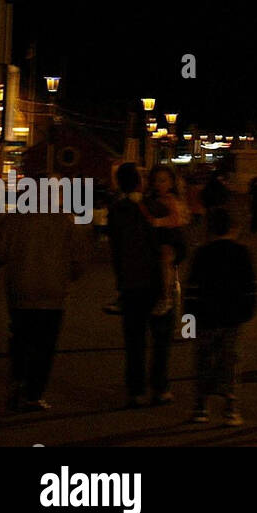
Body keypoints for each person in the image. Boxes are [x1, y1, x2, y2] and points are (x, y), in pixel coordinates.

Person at [0, 174, 88, 412]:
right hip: (53, 292)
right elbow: (78, 260)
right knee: (44, 344)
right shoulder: (66, 220)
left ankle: (17, 382)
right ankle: (34, 394)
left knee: (21, 339)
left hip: (20, 289)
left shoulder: (14, 219)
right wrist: (70, 274)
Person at [107, 162, 174, 407]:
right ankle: (160, 388)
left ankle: (135, 390)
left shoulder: (116, 211)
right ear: (139, 182)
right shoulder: (154, 207)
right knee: (160, 340)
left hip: (129, 283)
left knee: (134, 341)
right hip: (156, 281)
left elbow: (115, 248)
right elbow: (172, 243)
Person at [185, 207, 257, 425]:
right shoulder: (242, 252)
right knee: (230, 360)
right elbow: (250, 286)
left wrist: (188, 317)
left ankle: (201, 405)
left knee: (204, 358)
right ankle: (230, 406)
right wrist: (248, 310)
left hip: (206, 315)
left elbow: (192, 288)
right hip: (233, 316)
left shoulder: (202, 253)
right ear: (235, 228)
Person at [141, 166, 189, 318]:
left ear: (171, 183)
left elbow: (177, 219)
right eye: (155, 181)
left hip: (172, 240)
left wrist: (157, 222)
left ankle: (166, 297)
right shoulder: (151, 200)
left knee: (165, 257)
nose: (158, 184)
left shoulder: (172, 200)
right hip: (156, 240)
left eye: (163, 180)